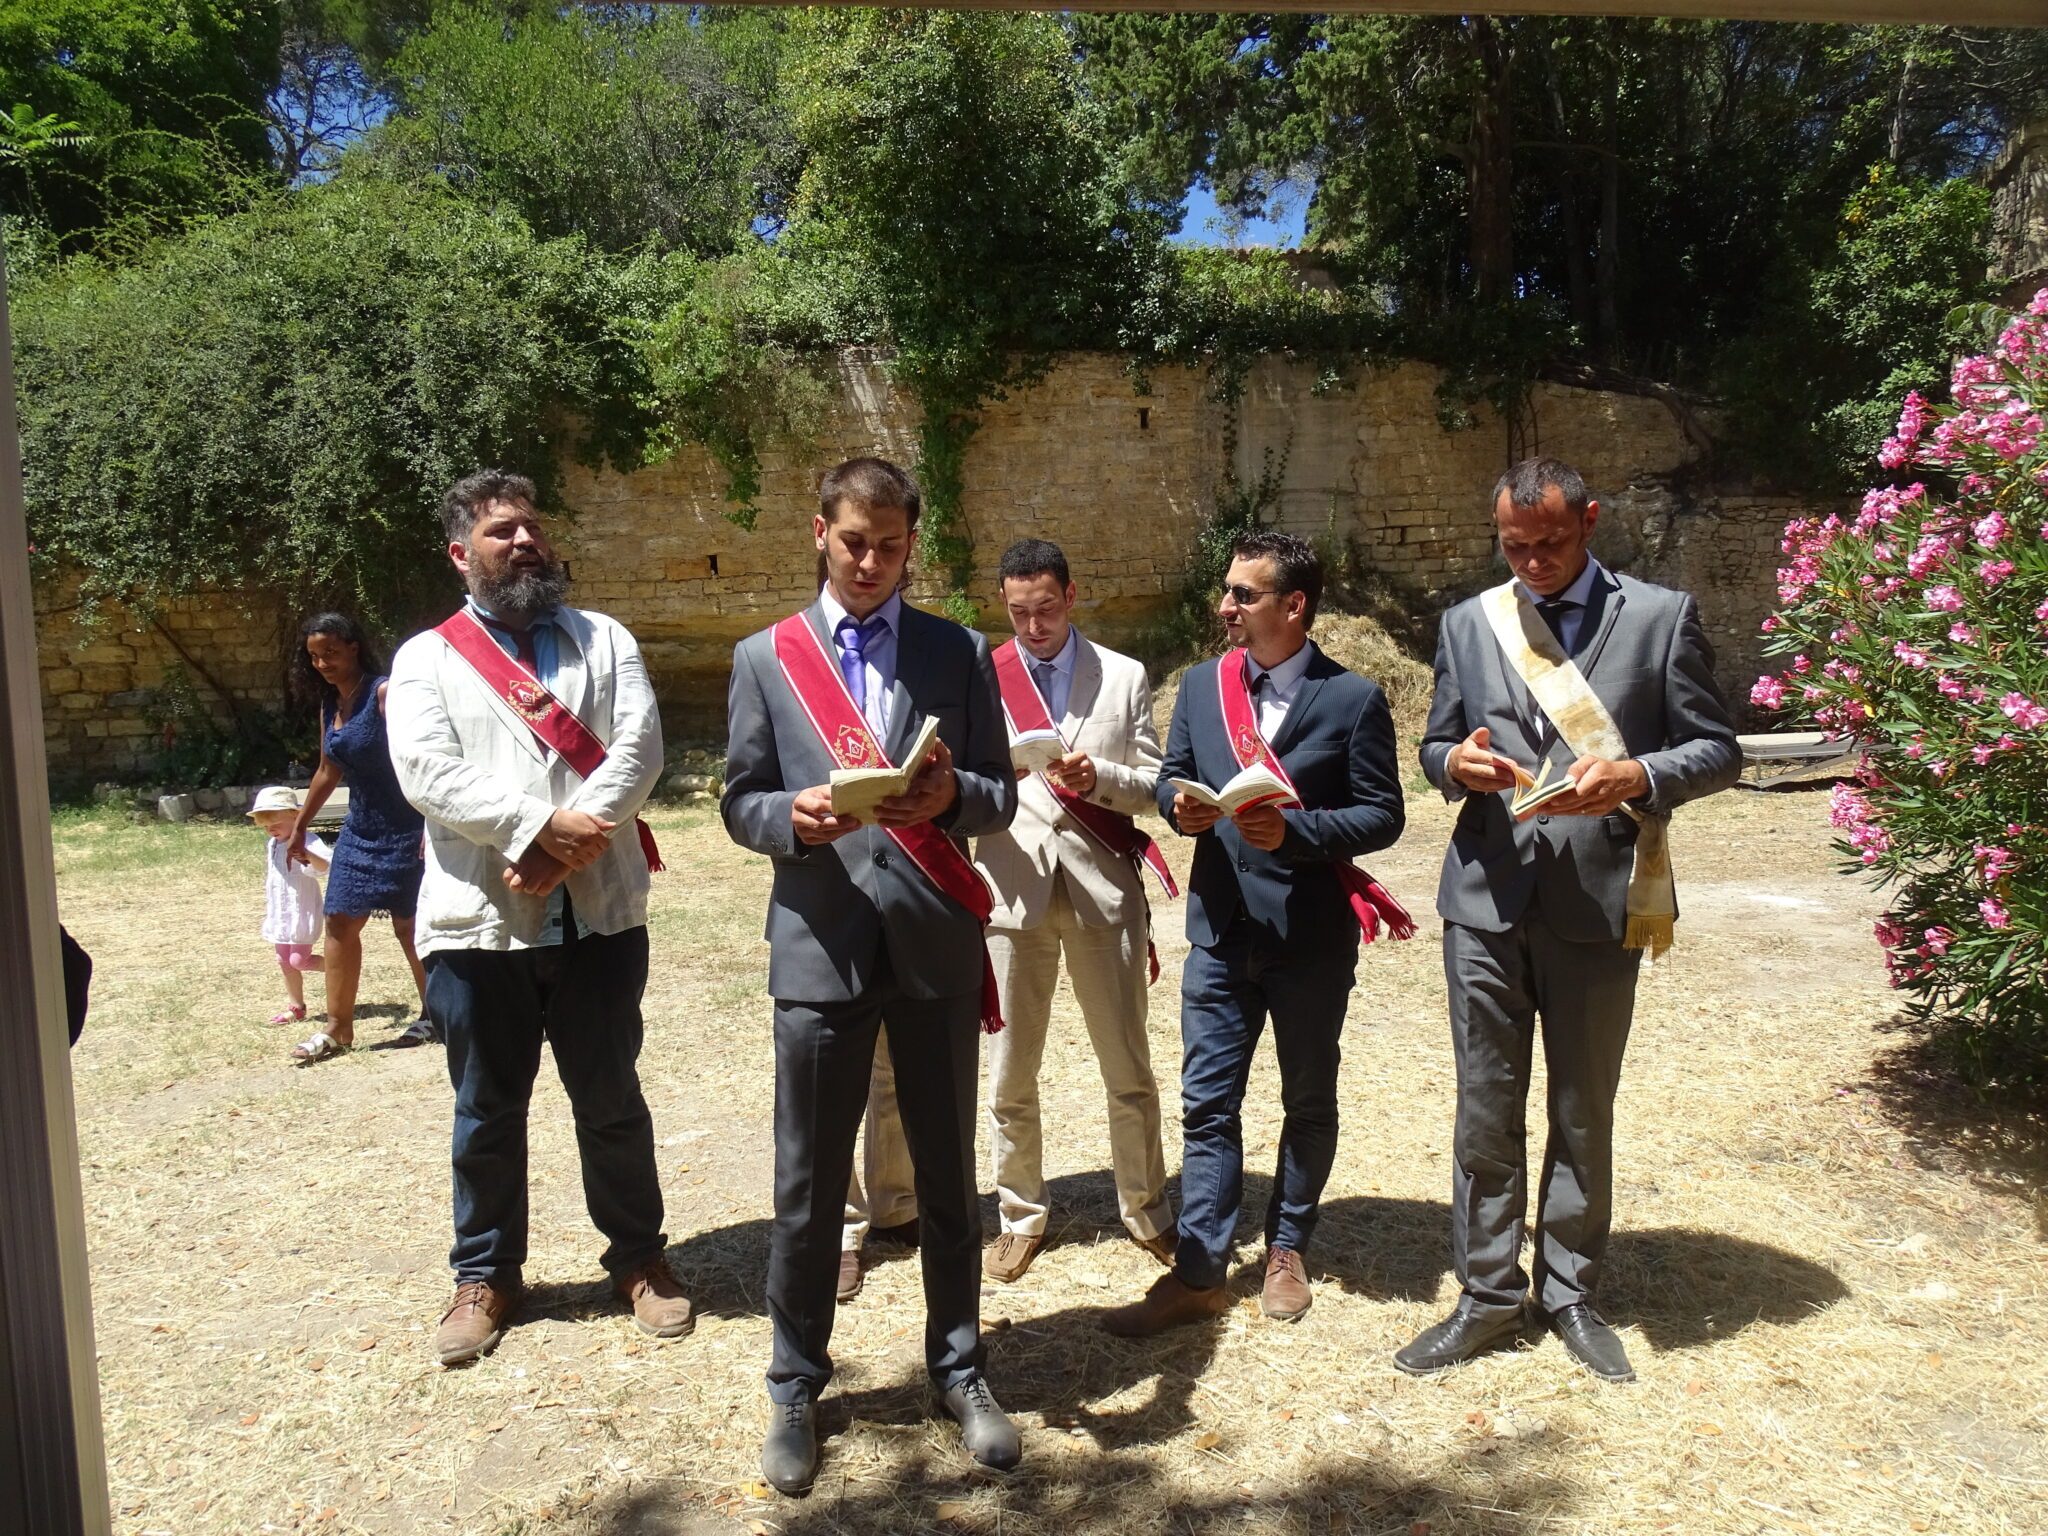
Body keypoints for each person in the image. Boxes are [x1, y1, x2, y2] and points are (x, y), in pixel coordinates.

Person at [1396, 457, 1738, 1384]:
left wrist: (1642, 776)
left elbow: (1717, 748)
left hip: (1598, 900)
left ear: (1589, 521)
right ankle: (1487, 1295)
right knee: (1484, 1106)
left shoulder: (1660, 617)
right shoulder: (1471, 622)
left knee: (1583, 1106)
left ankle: (1571, 1292)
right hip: (1485, 900)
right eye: (1515, 546)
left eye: (1551, 543)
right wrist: (1447, 765)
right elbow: (1437, 739)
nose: (1534, 561)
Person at [722, 456, 1022, 1494]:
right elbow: (738, 799)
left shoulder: (955, 648)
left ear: (911, 544)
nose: (869, 563)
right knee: (807, 1187)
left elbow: (998, 797)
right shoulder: (765, 657)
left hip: (932, 941)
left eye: (890, 546)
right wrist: (787, 818)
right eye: (853, 542)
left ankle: (959, 1367)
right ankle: (797, 1381)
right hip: (820, 945)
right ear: (819, 531)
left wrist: (947, 803)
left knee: (946, 1179)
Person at [386, 468, 693, 1368]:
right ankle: (484, 1275)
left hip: (598, 918)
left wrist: (560, 846)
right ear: (460, 554)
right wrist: (533, 826)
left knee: (610, 1099)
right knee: (486, 1110)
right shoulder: (425, 659)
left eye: (530, 527)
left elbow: (639, 750)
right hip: (480, 922)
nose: (521, 542)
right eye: (498, 532)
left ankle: (639, 1258)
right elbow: (427, 773)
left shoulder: (605, 639)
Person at [1103, 529, 1406, 1336]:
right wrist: (1180, 807)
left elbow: (1384, 814)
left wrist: (1297, 834)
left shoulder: (1354, 699)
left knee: (1307, 1099)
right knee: (1208, 1105)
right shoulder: (1202, 688)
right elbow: (1171, 778)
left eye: (1244, 593)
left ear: (1293, 605)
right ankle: (1201, 1271)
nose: (1226, 605)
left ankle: (1287, 1249)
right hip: (1220, 928)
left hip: (1308, 935)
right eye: (1228, 591)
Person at [974, 537, 1177, 1283]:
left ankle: (1147, 1208)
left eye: (1047, 609)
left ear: (1072, 594)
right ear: (1005, 604)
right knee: (1009, 1075)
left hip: (1101, 887)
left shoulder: (1122, 676)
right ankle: (1021, 1217)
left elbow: (1157, 782)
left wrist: (1102, 779)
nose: (1034, 626)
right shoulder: (979, 677)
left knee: (1127, 1064)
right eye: (1020, 612)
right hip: (1011, 889)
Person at [284, 612, 430, 1061]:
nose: (322, 663)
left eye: (330, 652)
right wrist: (300, 824)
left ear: (352, 647)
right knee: (341, 920)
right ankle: (337, 1029)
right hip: (360, 827)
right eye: (314, 656)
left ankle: (437, 1014)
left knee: (411, 927)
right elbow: (329, 770)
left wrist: (432, 823)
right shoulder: (331, 706)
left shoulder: (384, 694)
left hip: (408, 823)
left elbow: (424, 757)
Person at [249, 785, 330, 1025]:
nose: (270, 829)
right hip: (281, 912)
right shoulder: (273, 844)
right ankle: (296, 1006)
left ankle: (340, 965)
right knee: (283, 960)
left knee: (299, 960)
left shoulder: (308, 839)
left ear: (295, 816)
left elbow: (325, 867)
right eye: (265, 826)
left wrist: (304, 854)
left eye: (275, 822)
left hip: (300, 910)